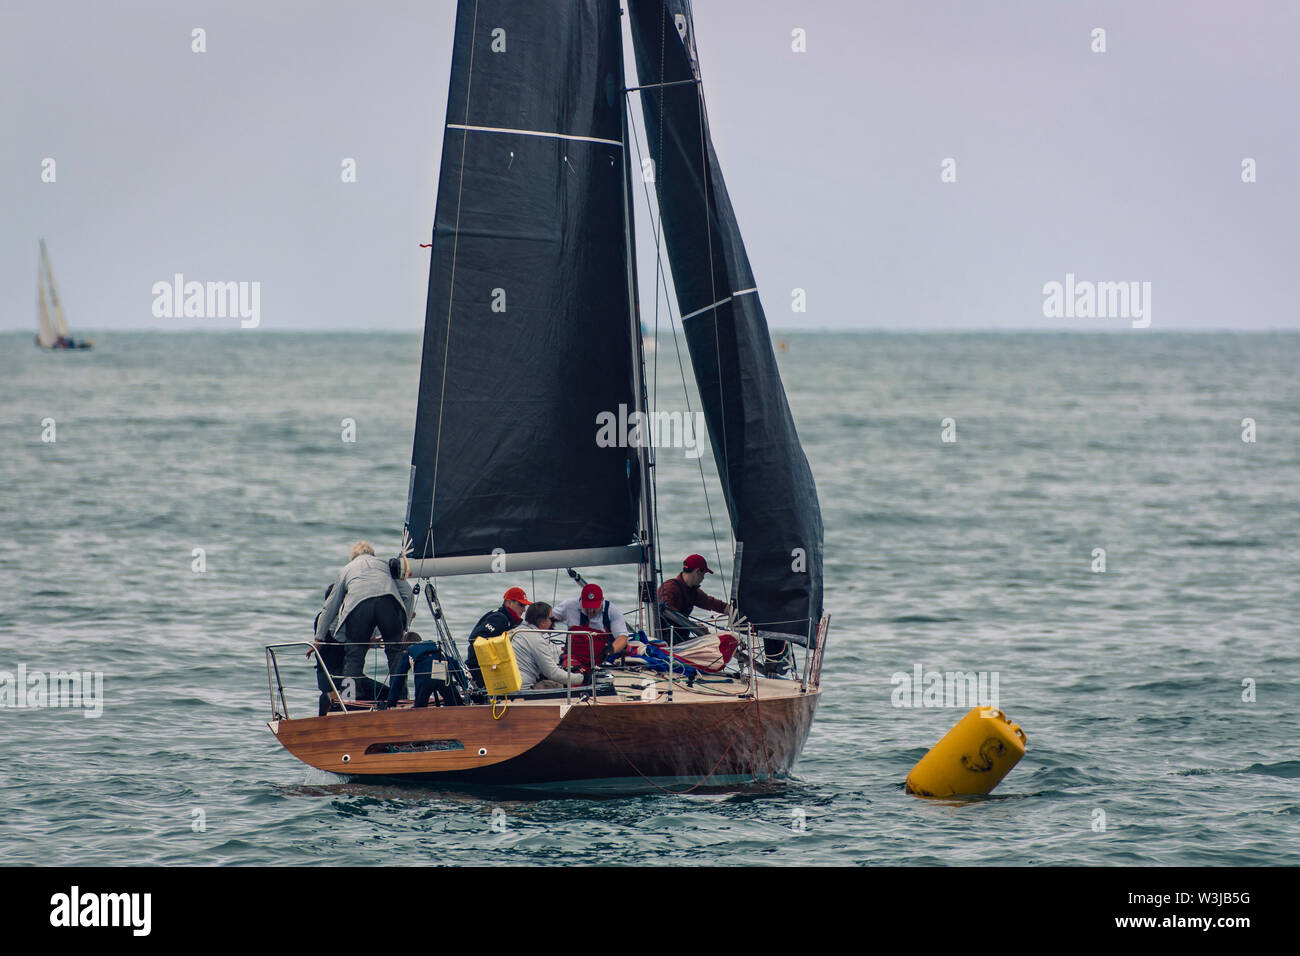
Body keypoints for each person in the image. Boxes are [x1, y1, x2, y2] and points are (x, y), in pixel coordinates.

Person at [315, 542, 415, 686]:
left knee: (354, 657)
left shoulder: (346, 569)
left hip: (359, 606)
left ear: (353, 558)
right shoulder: (386, 564)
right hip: (388, 603)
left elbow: (331, 605)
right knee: (396, 654)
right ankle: (399, 698)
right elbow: (408, 594)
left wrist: (319, 637)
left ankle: (350, 699)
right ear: (373, 554)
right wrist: (404, 625)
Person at [464, 586, 531, 687]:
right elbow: (476, 639)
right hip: (482, 667)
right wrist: (492, 664)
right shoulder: (499, 618)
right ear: (509, 602)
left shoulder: (506, 619)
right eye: (521, 605)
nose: (524, 610)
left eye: (525, 606)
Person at [552, 583, 629, 668]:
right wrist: (549, 624)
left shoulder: (612, 611)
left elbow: (622, 638)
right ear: (581, 600)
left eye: (594, 607)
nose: (590, 610)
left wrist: (611, 649)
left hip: (601, 660)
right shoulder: (569, 606)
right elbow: (547, 617)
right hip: (573, 659)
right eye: (587, 607)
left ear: (602, 600)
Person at [511, 603, 584, 689]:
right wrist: (582, 678)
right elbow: (552, 673)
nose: (554, 621)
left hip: (510, 685)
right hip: (523, 689)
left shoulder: (517, 631)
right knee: (560, 687)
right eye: (552, 618)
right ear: (542, 623)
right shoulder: (536, 639)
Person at [385, 632, 462, 708]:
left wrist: (392, 702)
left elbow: (399, 678)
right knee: (455, 704)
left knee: (420, 707)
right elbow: (455, 664)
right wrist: (464, 684)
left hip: (425, 679)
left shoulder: (409, 652)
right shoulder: (436, 649)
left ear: (405, 648)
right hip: (443, 675)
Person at [659, 553, 730, 617]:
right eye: (703, 574)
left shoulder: (692, 591)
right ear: (697, 572)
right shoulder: (668, 588)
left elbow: (712, 603)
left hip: (681, 629)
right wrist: (695, 626)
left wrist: (735, 612)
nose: (703, 578)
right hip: (663, 631)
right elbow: (666, 610)